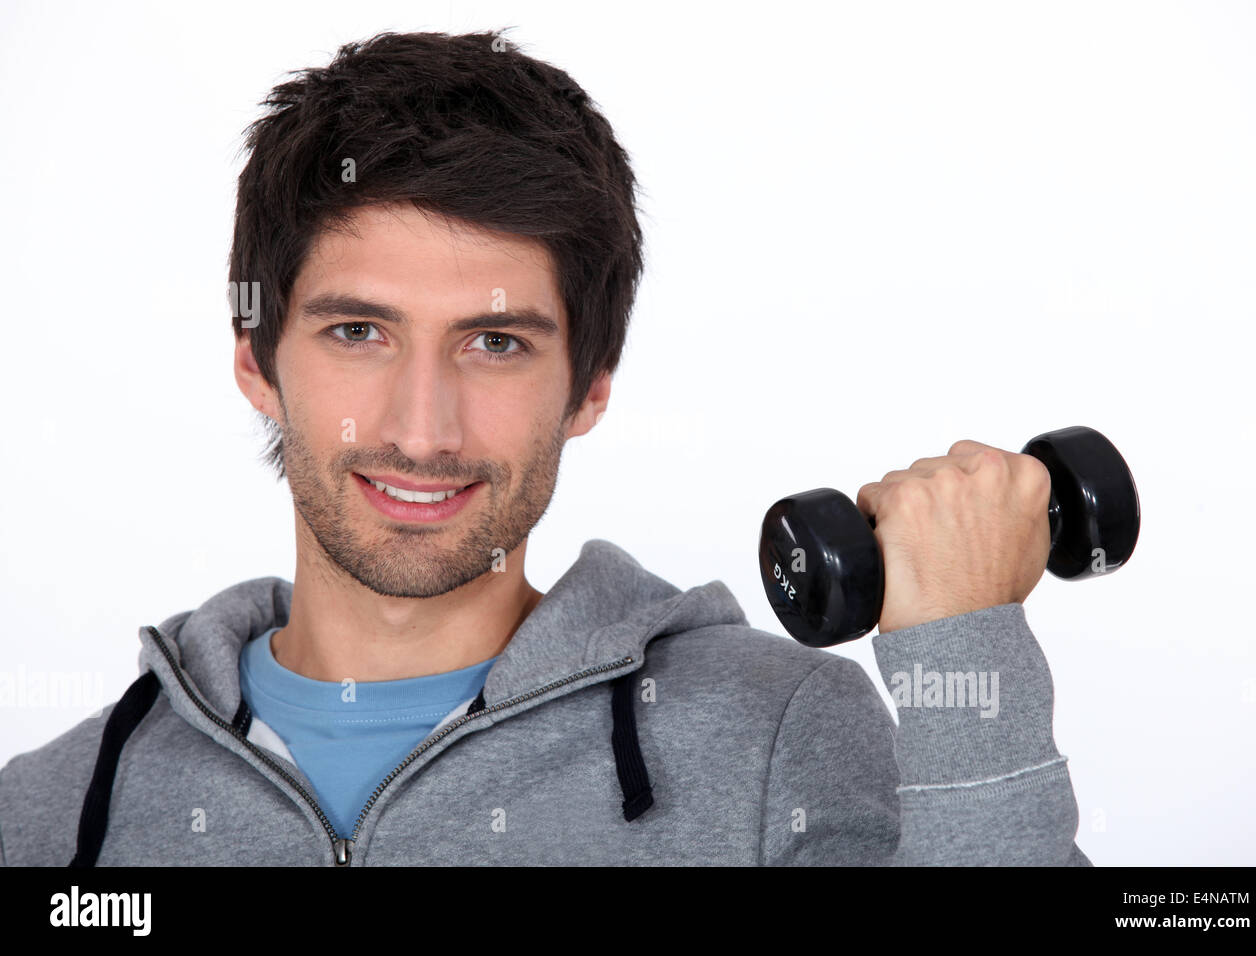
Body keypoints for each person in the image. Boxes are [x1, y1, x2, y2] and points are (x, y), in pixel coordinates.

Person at [0, 29, 1087, 866]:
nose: (421, 430)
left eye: (495, 341)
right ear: (256, 361)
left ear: (589, 386)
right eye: (358, 331)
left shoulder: (772, 737)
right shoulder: (53, 810)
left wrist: (964, 655)